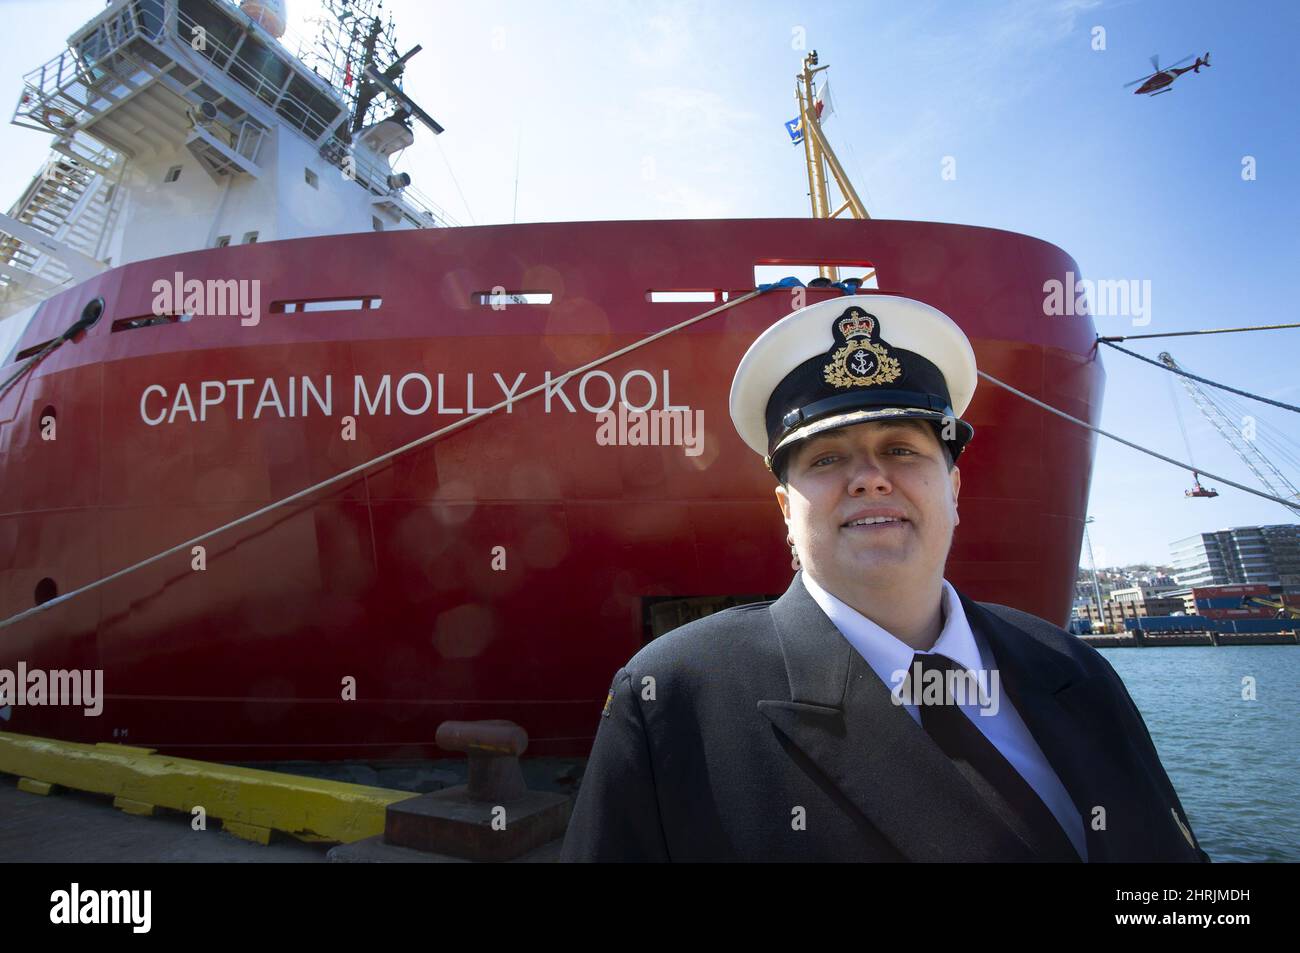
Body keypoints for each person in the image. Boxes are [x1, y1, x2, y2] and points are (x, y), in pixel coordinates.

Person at [560, 294, 1208, 862]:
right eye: (829, 455)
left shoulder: (1081, 673)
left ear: (953, 488)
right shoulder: (672, 707)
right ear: (785, 508)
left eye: (902, 448)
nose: (871, 476)